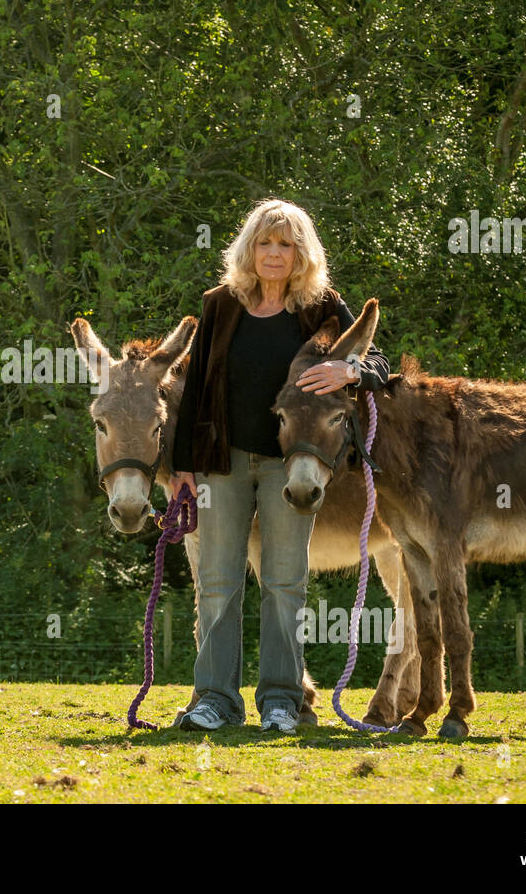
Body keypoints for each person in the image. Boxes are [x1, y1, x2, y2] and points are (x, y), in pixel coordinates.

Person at [171, 197, 390, 733]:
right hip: (221, 462)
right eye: (265, 243)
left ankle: (281, 700)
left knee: (284, 581)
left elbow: (380, 364)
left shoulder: (322, 307)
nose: (274, 253)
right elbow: (196, 386)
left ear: (301, 253)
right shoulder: (220, 304)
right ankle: (214, 700)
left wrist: (348, 371)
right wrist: (182, 466)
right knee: (218, 581)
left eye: (286, 244)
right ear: (250, 249)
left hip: (291, 466)